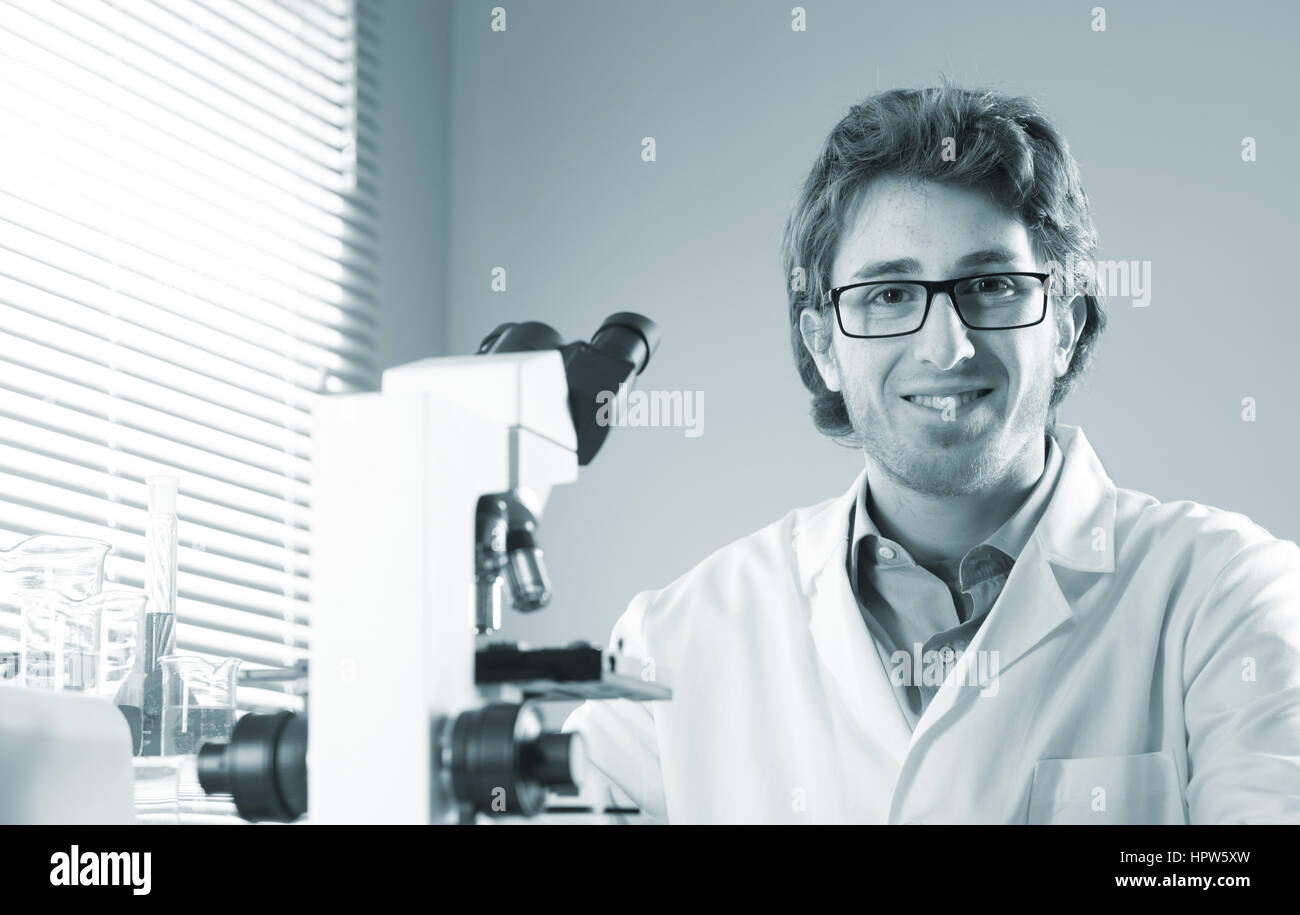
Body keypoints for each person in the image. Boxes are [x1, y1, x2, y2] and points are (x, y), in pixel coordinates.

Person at [562, 80, 1300, 824]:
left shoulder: (1230, 597)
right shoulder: (673, 643)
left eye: (991, 285)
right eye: (888, 295)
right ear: (823, 344)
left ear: (1066, 325)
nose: (947, 347)